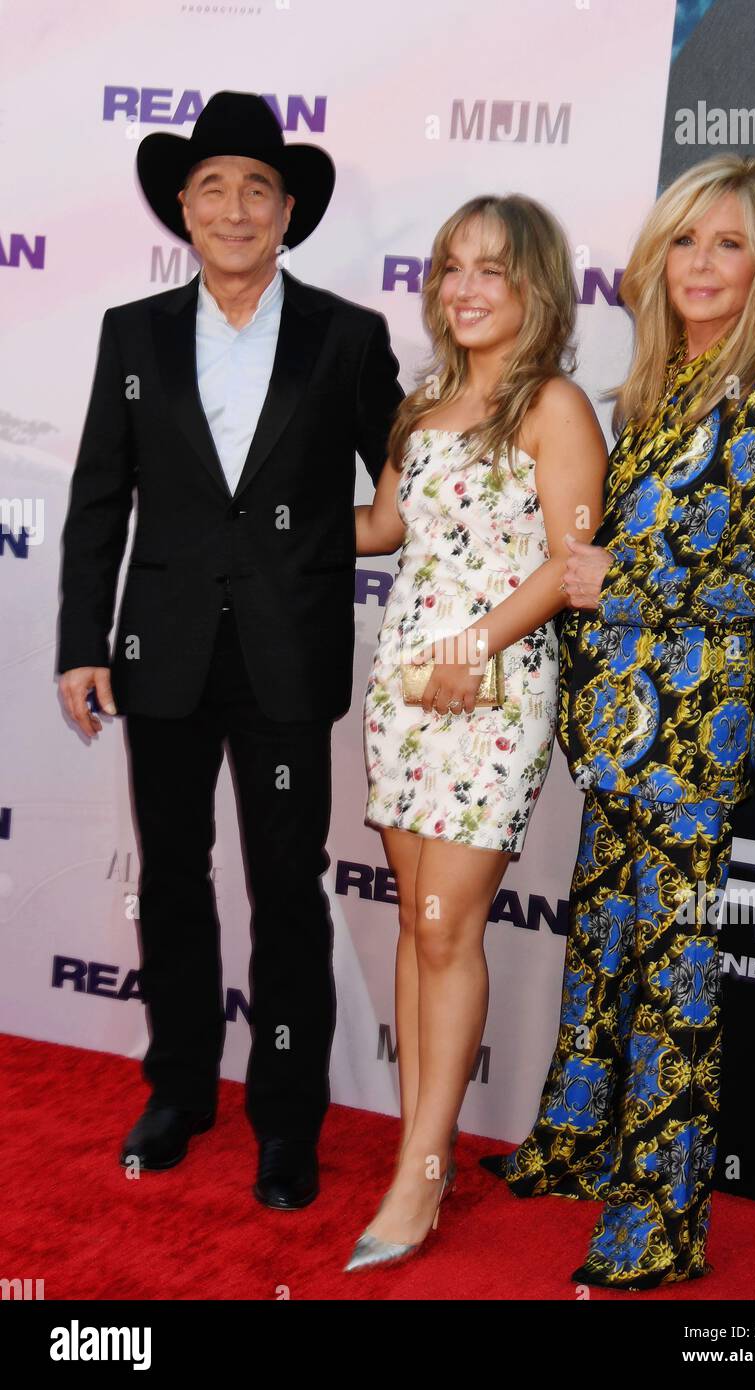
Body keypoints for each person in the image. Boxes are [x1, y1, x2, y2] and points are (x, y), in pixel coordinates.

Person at [56, 91, 403, 1210]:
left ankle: (288, 1116)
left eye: (258, 187)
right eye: (213, 188)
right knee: (172, 879)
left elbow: (409, 475)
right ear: (184, 209)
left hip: (288, 658)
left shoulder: (349, 336)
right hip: (158, 655)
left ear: (289, 209)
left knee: (290, 887)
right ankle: (180, 1089)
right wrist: (81, 643)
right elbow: (100, 498)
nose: (236, 208)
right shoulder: (132, 334)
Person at [480, 154, 755, 1290]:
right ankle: (579, 1143)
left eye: (729, 243)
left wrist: (607, 578)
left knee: (674, 974)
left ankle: (662, 1219)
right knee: (597, 948)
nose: (703, 264)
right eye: (686, 240)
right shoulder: (657, 384)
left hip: (689, 740)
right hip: (617, 724)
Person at [345, 193, 608, 1272]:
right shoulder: (424, 403)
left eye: (491, 269)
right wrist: (256, 502)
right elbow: (383, 529)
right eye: (451, 265)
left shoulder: (555, 407)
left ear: (537, 286)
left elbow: (572, 562)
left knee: (449, 930)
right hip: (404, 694)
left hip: (488, 698)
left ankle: (422, 1171)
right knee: (418, 924)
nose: (463, 287)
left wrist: (475, 649)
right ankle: (423, 1145)